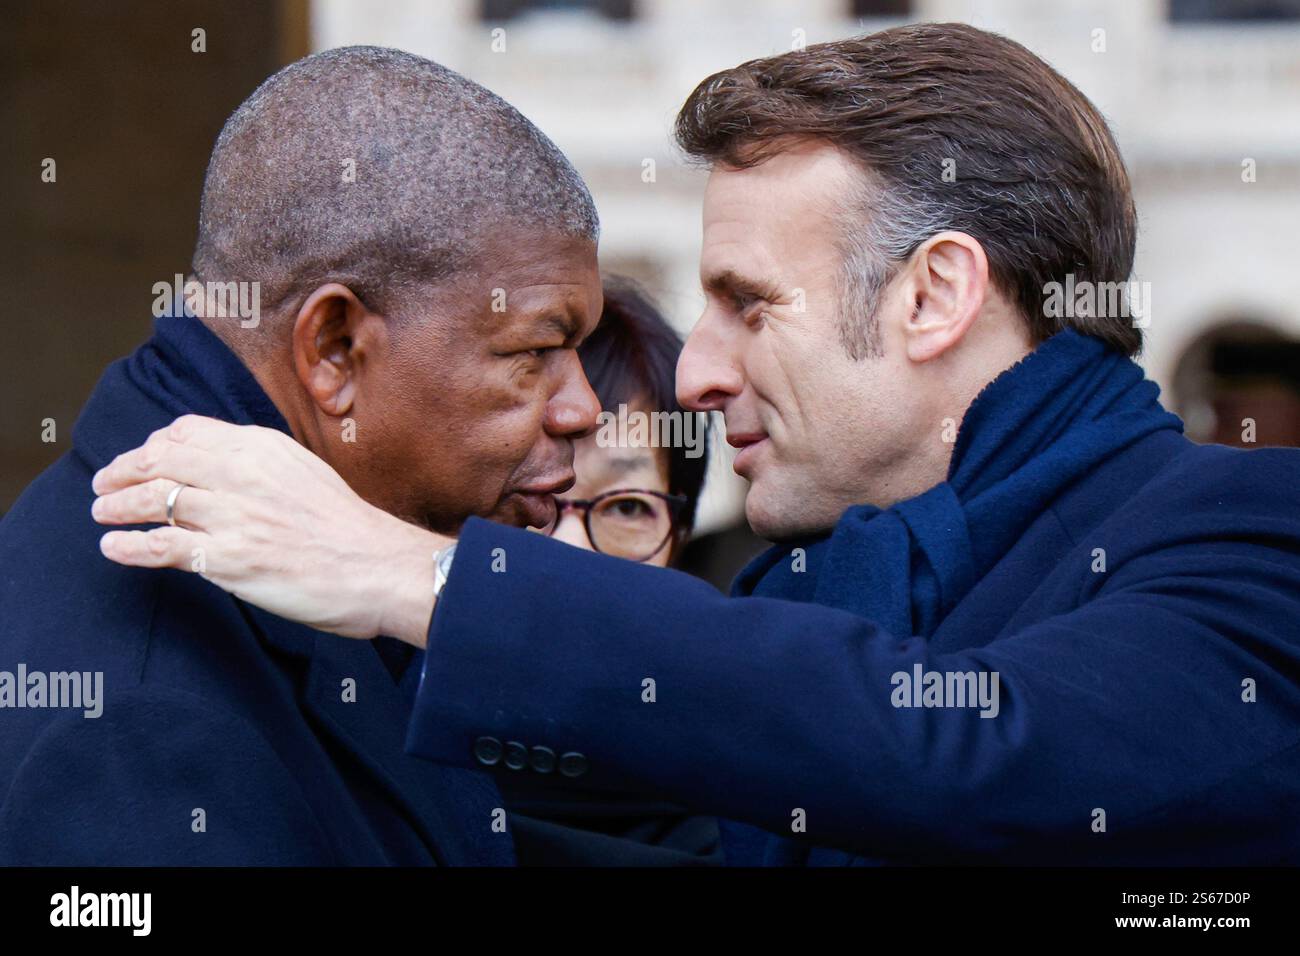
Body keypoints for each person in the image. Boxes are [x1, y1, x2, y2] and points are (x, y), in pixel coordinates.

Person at [91, 24, 1300, 865]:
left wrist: (419, 577)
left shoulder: (1248, 527)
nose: (698, 370)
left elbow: (978, 749)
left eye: (751, 302)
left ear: (934, 295)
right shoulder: (824, 576)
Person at [0, 45, 606, 864]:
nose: (584, 409)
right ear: (334, 347)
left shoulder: (308, 563)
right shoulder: (147, 719)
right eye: (538, 348)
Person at [505, 278, 721, 865]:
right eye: (537, 498)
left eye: (628, 506)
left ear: (678, 540)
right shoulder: (363, 760)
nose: (570, 552)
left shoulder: (745, 805)